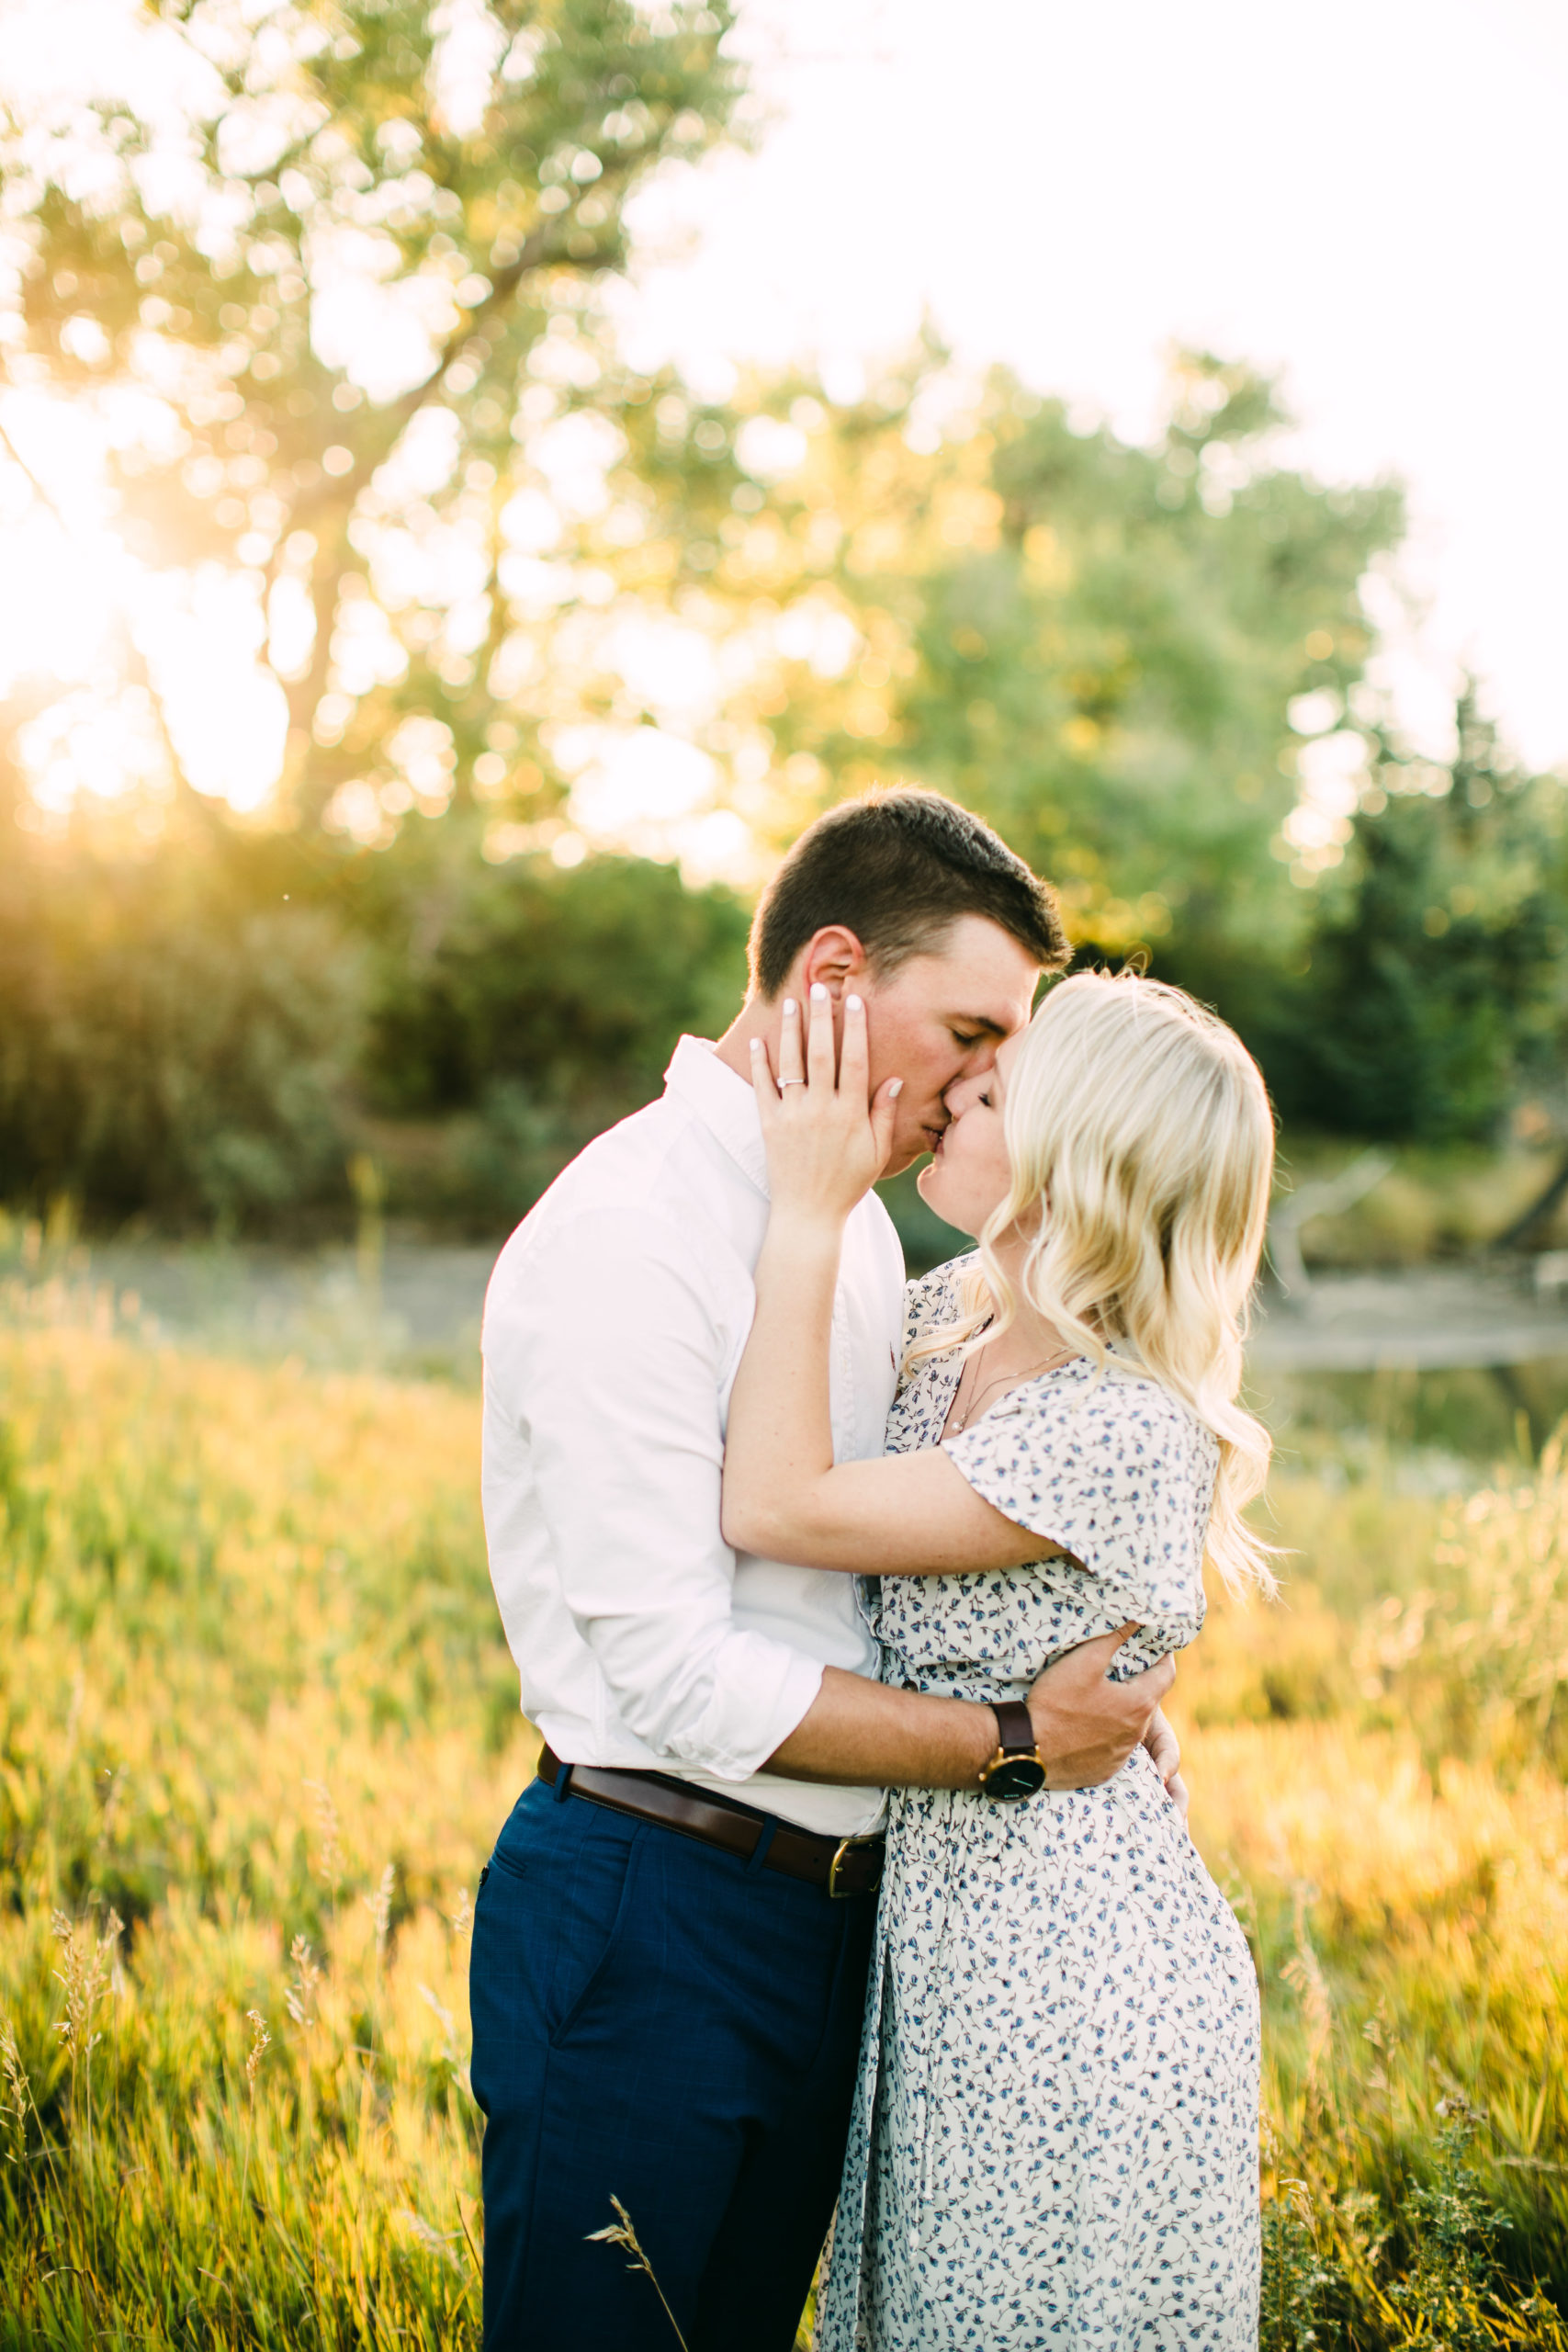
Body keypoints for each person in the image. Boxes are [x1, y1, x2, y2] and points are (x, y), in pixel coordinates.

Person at [469, 790, 1185, 2351]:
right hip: (651, 1907)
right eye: (974, 1029)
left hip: (839, 1922)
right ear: (837, 977)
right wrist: (1009, 1748)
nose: (994, 1081)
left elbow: (916, 1535)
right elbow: (669, 1669)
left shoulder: (850, 1225)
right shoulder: (635, 1228)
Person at [720, 969, 1274, 2349]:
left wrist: (808, 1205)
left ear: (1073, 1166)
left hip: (1063, 1985)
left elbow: (779, 1503)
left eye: (996, 1088)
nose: (959, 1091)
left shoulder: (1116, 1423)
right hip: (945, 1938)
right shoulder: (953, 1324)